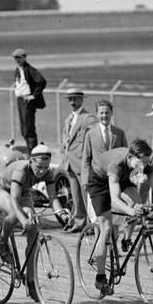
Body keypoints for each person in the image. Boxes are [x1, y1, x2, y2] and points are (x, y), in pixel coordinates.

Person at [85, 140, 153, 297]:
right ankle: (100, 278)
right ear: (131, 157)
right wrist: (130, 212)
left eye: (146, 163)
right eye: (141, 163)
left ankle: (126, 238)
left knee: (138, 203)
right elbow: (115, 199)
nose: (143, 167)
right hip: (100, 180)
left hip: (123, 177)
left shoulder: (145, 163)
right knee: (107, 228)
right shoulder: (115, 165)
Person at [0, 143, 61, 272]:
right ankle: (2, 242)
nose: (42, 171)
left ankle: (30, 280)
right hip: (1, 189)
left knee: (33, 227)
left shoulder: (48, 173)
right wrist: (24, 221)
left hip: (23, 191)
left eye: (46, 167)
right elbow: (14, 201)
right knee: (16, 213)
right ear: (31, 161)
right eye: (39, 167)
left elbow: (53, 198)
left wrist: (62, 213)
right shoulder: (21, 170)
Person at [80, 100, 127, 219]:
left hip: (115, 180)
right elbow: (86, 159)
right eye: (101, 113)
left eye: (107, 112)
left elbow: (126, 156)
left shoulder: (119, 133)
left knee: (116, 217)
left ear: (112, 114)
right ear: (97, 114)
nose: (104, 116)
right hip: (97, 181)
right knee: (99, 218)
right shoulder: (90, 134)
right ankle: (98, 237)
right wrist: (85, 181)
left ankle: (114, 238)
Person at [60, 88, 92, 231]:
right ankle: (79, 222)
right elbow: (65, 140)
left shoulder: (88, 118)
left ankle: (92, 224)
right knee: (76, 195)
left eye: (75, 99)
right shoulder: (69, 119)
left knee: (87, 196)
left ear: (81, 100)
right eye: (70, 99)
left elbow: (95, 138)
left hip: (82, 163)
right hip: (70, 163)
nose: (72, 102)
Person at [12, 48, 47, 151]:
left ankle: (33, 150)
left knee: (28, 128)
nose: (17, 60)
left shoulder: (29, 69)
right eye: (15, 58)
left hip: (27, 101)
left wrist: (34, 95)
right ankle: (30, 148)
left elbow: (41, 81)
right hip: (20, 100)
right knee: (23, 128)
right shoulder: (18, 69)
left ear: (24, 58)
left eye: (19, 57)